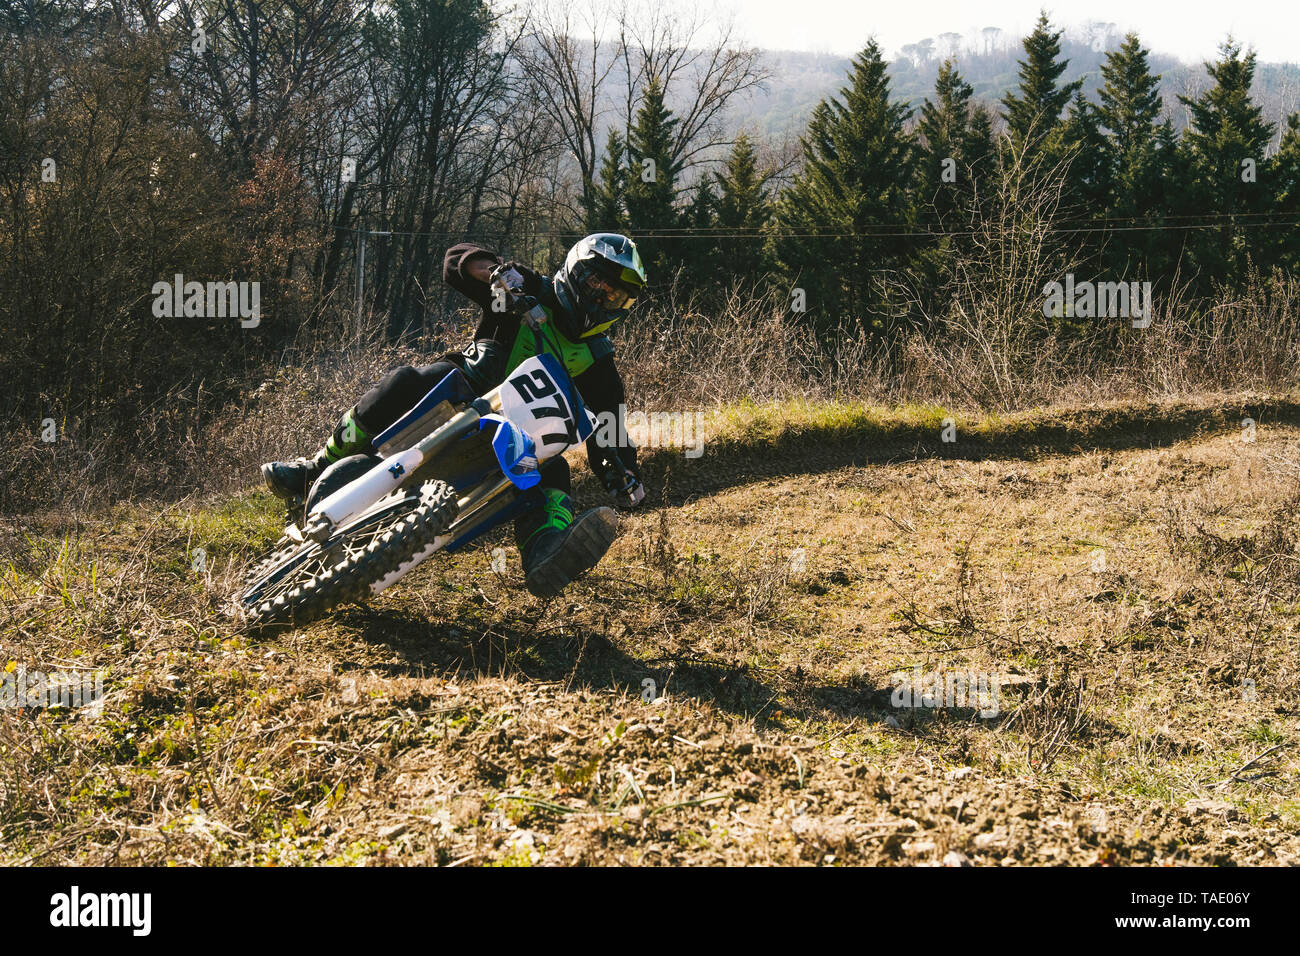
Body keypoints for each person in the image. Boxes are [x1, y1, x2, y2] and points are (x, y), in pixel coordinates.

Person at [260, 233, 648, 598]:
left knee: (555, 470)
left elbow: (609, 425)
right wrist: (489, 269)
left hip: (514, 440)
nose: (602, 299)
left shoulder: (599, 362)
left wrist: (623, 471)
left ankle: (547, 553)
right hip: (460, 395)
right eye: (598, 283)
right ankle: (313, 469)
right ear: (576, 271)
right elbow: (455, 262)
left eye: (615, 296)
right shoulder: (524, 286)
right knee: (410, 380)